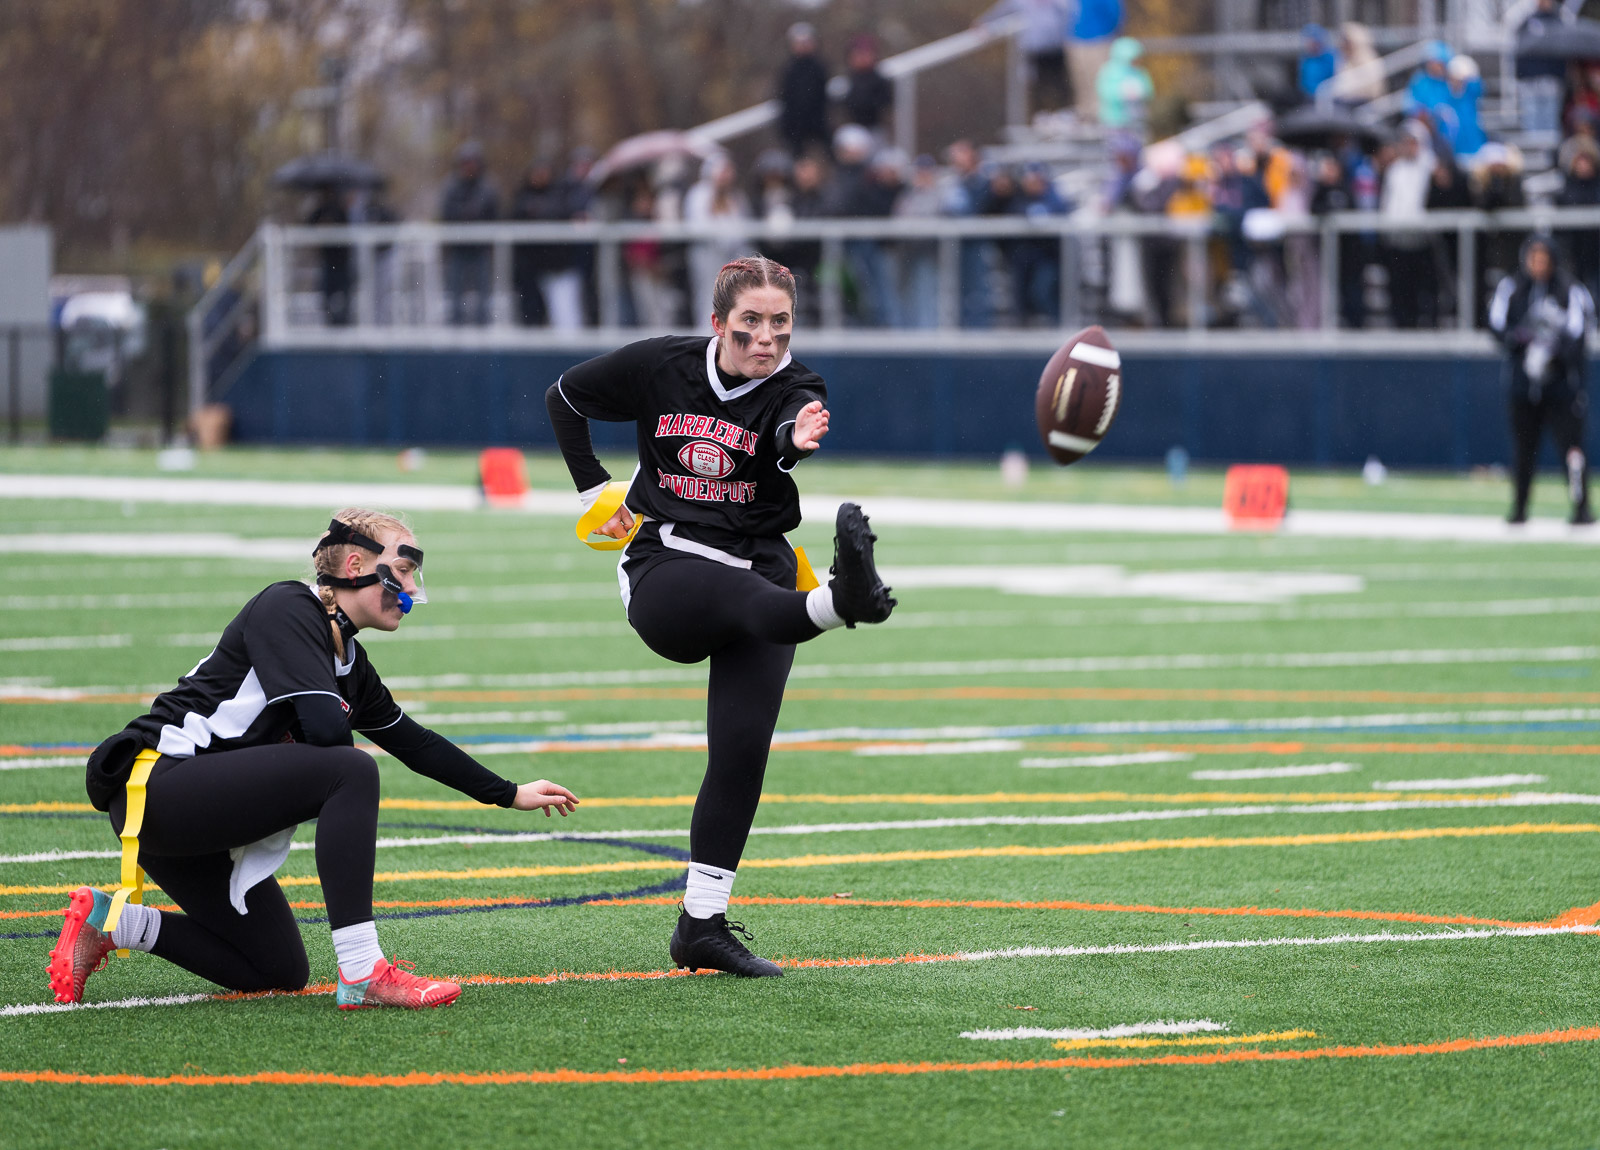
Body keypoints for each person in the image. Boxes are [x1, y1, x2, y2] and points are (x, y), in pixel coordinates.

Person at [50, 509, 580, 1008]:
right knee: (351, 770)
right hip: (161, 788)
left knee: (276, 969)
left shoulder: (351, 659)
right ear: (356, 565)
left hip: (195, 811)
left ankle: (113, 924)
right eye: (403, 570)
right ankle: (362, 969)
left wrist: (509, 793)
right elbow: (328, 735)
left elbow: (414, 742)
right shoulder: (288, 606)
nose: (413, 589)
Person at [543, 256, 895, 976]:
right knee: (749, 602)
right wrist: (592, 492)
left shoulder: (798, 385)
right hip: (668, 564)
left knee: (742, 748)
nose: (766, 338)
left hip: (763, 567)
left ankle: (701, 924)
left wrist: (795, 436)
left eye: (780, 324)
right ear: (717, 324)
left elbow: (784, 427)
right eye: (750, 324)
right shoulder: (661, 365)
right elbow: (565, 397)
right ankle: (840, 603)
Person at [1489, 234, 1595, 524]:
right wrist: (1522, 341)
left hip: (1561, 387)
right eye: (1533, 258)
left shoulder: (1570, 290)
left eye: (1543, 258)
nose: (1538, 264)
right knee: (1523, 451)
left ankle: (1581, 507)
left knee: (1571, 451)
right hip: (1524, 386)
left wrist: (1552, 353)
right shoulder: (1512, 287)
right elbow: (1498, 327)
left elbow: (1578, 335)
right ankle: (1520, 508)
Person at [511, 156, 586, 329]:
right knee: (531, 317)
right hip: (531, 269)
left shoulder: (561, 193)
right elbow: (516, 218)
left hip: (559, 266)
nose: (540, 176)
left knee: (565, 318)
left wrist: (539, 212)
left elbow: (562, 215)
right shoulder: (523, 196)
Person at [1380, 122, 1438, 329]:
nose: (1408, 146)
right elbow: (1388, 202)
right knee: (1400, 289)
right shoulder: (1394, 170)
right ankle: (1403, 325)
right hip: (1398, 240)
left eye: (1412, 142)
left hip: (1423, 240)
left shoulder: (1430, 166)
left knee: (1426, 289)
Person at [978, 0, 1073, 119]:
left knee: (1061, 85)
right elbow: (1001, 11)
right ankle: (1041, 117)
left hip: (1057, 50)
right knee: (1036, 85)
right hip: (1034, 51)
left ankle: (1063, 115)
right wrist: (984, 23)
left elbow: (1073, 13)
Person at [439, 141, 499, 326]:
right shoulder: (451, 187)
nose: (469, 167)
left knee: (483, 291)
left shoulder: (488, 188)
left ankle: (483, 326)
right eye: (465, 162)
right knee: (455, 290)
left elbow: (494, 215)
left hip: (481, 248)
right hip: (458, 248)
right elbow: (446, 214)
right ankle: (454, 327)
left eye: (472, 162)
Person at [1515, 0, 1571, 138]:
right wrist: (1521, 74)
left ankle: (1548, 155)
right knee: (1531, 114)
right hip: (1531, 78)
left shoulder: (1558, 22)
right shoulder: (1529, 22)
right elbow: (1520, 49)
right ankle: (1533, 150)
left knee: (1549, 115)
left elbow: (1562, 51)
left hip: (1551, 78)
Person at [777, 23, 830, 160]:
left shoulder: (820, 67)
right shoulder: (788, 69)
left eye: (806, 42)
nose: (803, 46)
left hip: (818, 123)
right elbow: (784, 96)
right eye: (799, 43)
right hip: (795, 127)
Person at [306, 186, 352, 327]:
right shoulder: (319, 211)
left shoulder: (340, 211)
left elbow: (345, 229)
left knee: (343, 296)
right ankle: (330, 323)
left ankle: (343, 322)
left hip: (341, 262)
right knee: (326, 295)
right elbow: (309, 224)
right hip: (327, 262)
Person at [1069, 0, 1122, 121]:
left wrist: (1107, 34)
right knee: (1083, 85)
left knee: (1100, 84)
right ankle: (1087, 117)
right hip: (1077, 40)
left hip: (1099, 40)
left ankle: (1103, 119)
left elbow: (1114, 14)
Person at [841, 35, 894, 139]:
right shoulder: (847, 80)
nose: (862, 58)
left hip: (874, 128)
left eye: (865, 54)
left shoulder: (879, 80)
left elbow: (884, 103)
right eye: (858, 55)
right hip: (852, 128)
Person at [1097, 38, 1153, 133]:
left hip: (1138, 119)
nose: (1136, 62)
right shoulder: (1109, 71)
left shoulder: (1140, 72)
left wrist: (1141, 93)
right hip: (1115, 120)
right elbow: (1104, 92)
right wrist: (1122, 94)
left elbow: (1149, 91)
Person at [1299, 24, 1338, 103]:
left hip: (1325, 96)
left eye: (1311, 40)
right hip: (1306, 96)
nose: (1308, 44)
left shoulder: (1330, 56)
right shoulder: (1306, 58)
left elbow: (1334, 78)